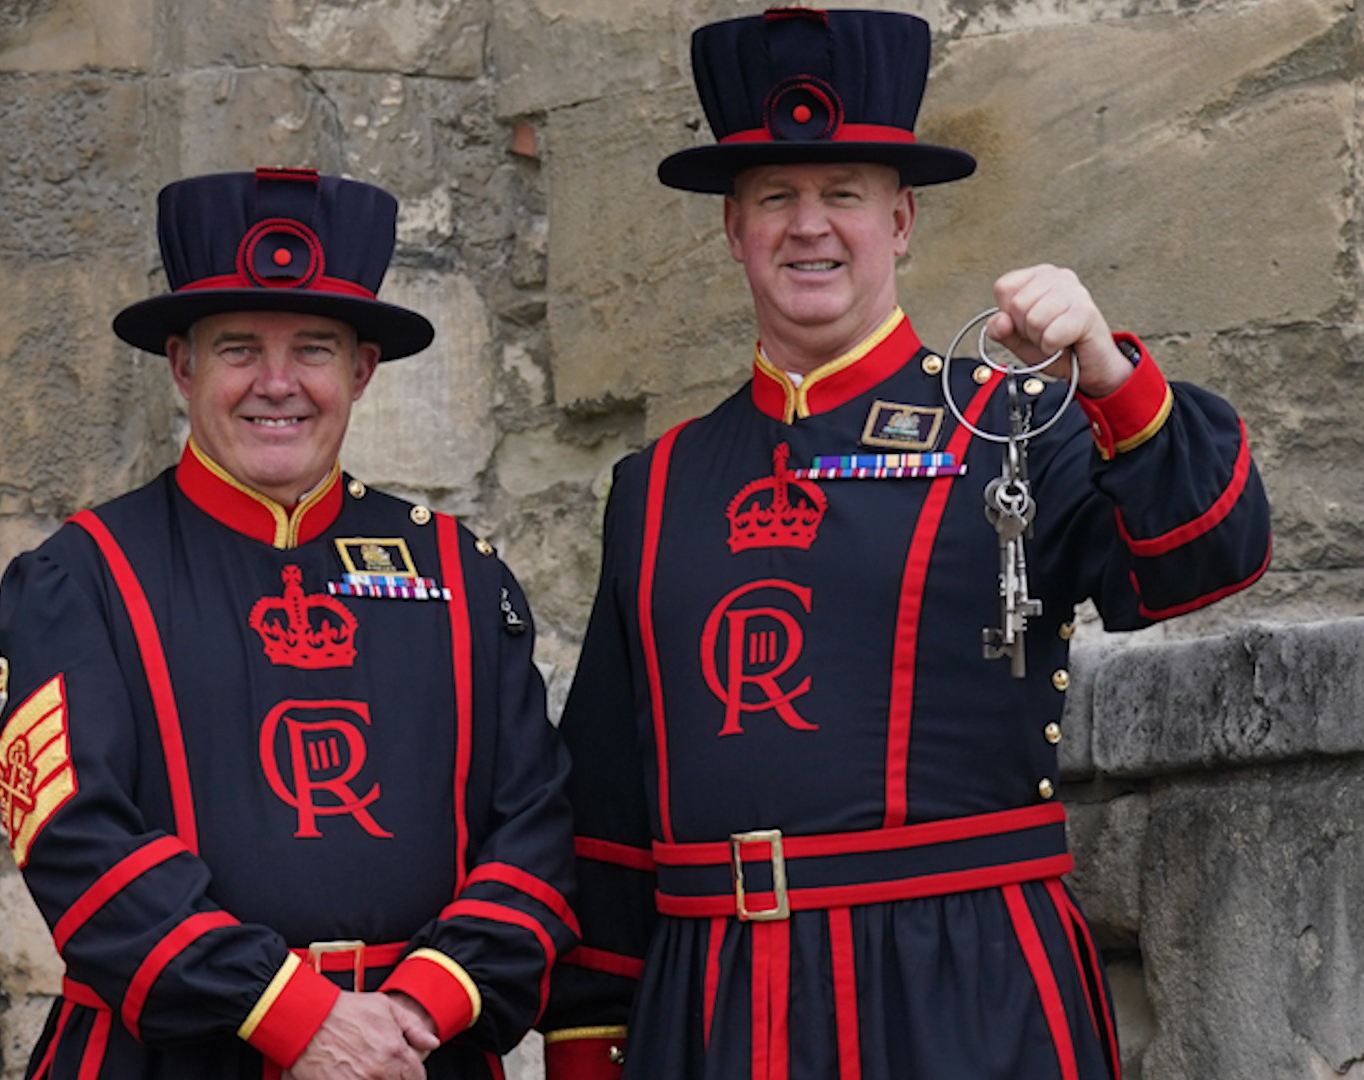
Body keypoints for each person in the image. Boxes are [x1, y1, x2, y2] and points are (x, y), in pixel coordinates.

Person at [539, 9, 1270, 1080]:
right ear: (731, 229)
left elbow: (1202, 555)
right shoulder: (654, 489)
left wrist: (1108, 373)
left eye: (843, 194)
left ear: (902, 218)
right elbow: (608, 804)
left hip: (961, 987)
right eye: (777, 197)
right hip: (716, 1006)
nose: (810, 226)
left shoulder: (1012, 423)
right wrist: (590, 1038)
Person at [0, 167, 577, 1080]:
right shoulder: (82, 577)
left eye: (312, 347)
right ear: (181, 365)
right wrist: (292, 1013)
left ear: (361, 369)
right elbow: (75, 842)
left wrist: (420, 1007)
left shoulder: (461, 573)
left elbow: (536, 830)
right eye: (236, 350)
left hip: (415, 1055)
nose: (277, 383)